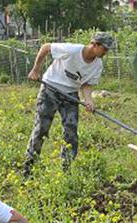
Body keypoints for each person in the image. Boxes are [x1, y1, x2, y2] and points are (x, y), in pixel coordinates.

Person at [23, 32, 116, 175]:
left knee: (71, 133)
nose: (106, 52)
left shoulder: (97, 65)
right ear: (95, 44)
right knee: (42, 129)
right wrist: (36, 70)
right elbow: (46, 47)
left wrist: (88, 100)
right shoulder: (72, 50)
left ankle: (66, 170)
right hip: (50, 89)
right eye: (104, 48)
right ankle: (28, 167)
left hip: (70, 95)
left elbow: (86, 84)